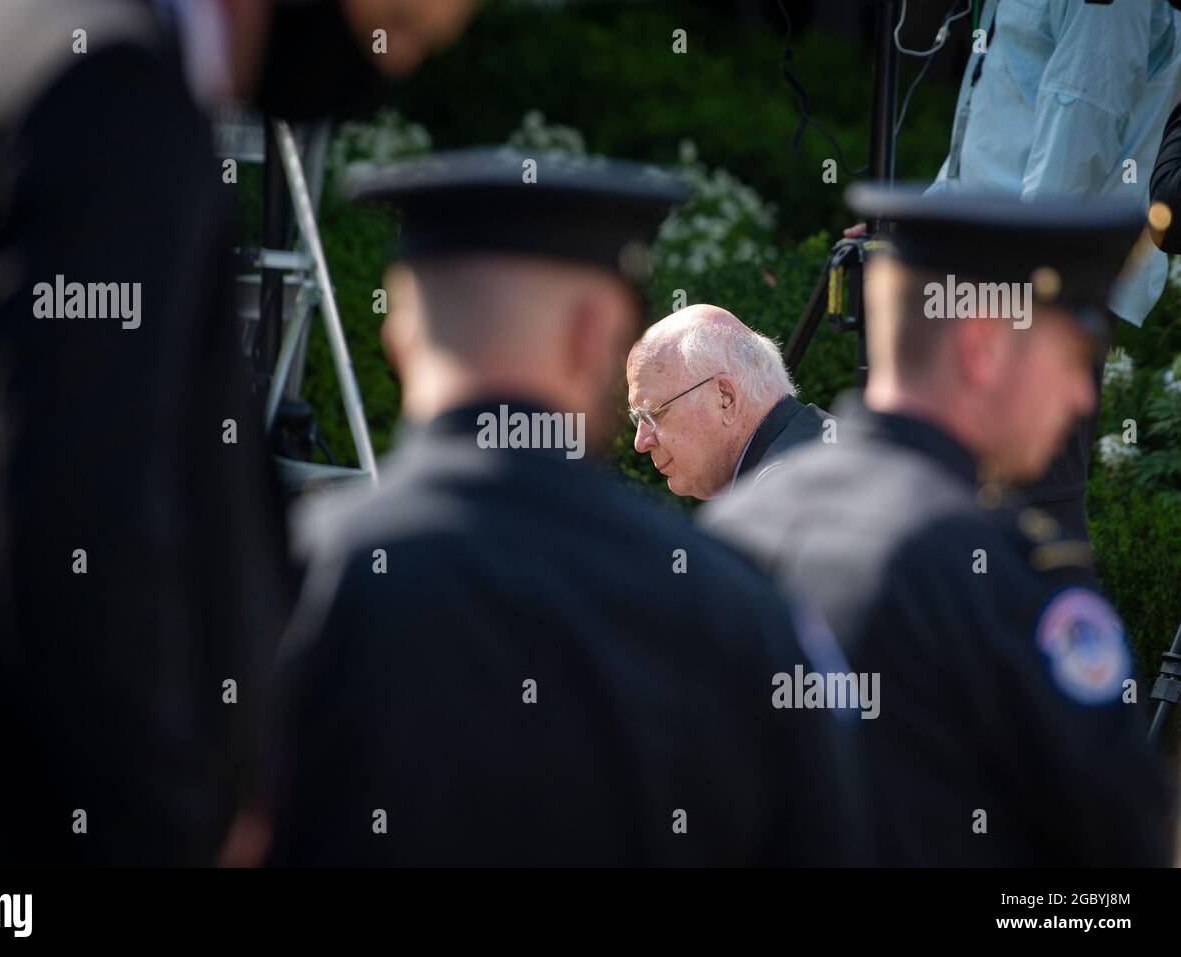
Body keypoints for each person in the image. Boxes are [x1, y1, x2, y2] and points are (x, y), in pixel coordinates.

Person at [0, 0, 474, 865]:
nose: (399, 58)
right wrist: (188, 819)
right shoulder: (109, 92)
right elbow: (82, 530)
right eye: (400, 21)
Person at [266, 149, 863, 867]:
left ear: (399, 334)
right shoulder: (729, 603)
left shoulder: (293, 576)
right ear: (594, 338)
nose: (643, 441)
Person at [705, 184, 1175, 866]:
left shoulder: (734, 525)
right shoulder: (1002, 565)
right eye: (1075, 355)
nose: (1081, 393)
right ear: (983, 346)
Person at [894, 0, 1181, 543]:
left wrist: (1016, 308)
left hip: (1040, 294)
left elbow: (1076, 148)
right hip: (991, 281)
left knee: (1030, 515)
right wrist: (916, 239)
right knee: (960, 500)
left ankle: (1053, 626)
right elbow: (987, 136)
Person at [626, 304, 831, 497]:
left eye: (654, 414)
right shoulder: (837, 447)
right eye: (638, 419)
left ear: (726, 398)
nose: (640, 443)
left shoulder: (778, 501)